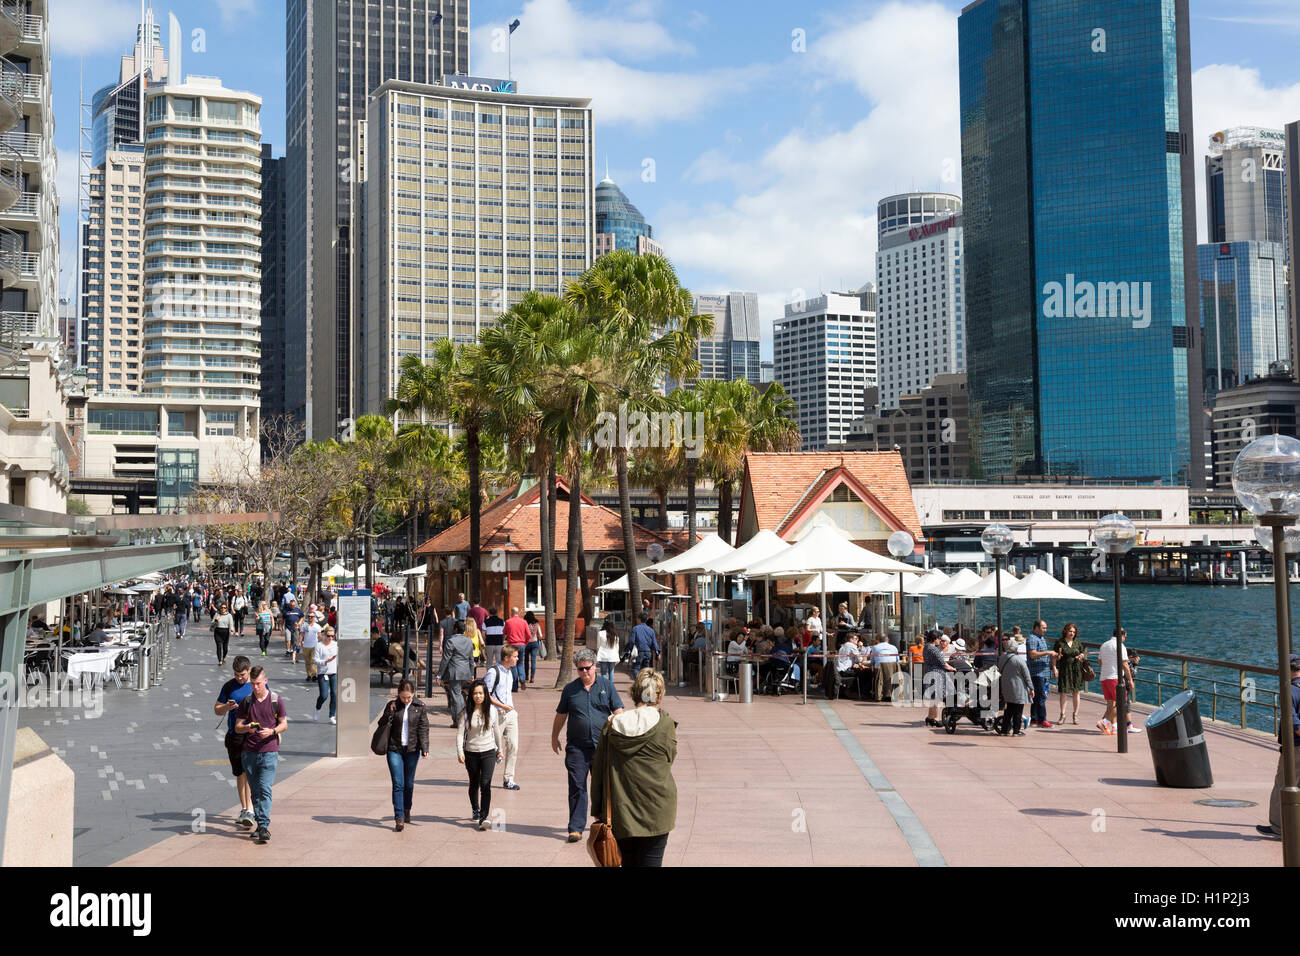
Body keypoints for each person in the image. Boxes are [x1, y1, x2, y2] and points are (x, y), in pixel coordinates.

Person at [591, 668, 677, 867]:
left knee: (627, 861)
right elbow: (669, 758)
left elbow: (598, 770)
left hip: (621, 812)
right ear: (659, 695)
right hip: (657, 810)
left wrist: (598, 807)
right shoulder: (665, 723)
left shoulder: (613, 723)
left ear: (635, 692)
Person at [552, 647, 625, 843]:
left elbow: (618, 710)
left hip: (602, 747)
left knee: (602, 786)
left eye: (587, 668)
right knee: (577, 786)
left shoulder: (606, 685)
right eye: (580, 669)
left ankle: (603, 823)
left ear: (595, 666)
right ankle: (575, 828)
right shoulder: (570, 689)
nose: (584, 672)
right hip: (577, 748)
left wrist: (622, 735)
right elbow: (561, 715)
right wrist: (554, 737)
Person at [233, 666, 288, 844]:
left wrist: (272, 731)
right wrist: (248, 727)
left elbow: (284, 724)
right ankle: (260, 824)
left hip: (269, 750)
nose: (255, 687)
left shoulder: (275, 700)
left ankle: (264, 826)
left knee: (265, 788)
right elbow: (237, 727)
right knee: (255, 791)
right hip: (249, 752)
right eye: (253, 684)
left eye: (258, 683)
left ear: (265, 681)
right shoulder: (247, 702)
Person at [1258, 655, 1300, 839]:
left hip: (1294, 748)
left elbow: (1294, 723)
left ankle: (1279, 827)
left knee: (1283, 784)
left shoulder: (1288, 691)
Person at [381, 679, 430, 832]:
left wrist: (425, 747)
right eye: (403, 697)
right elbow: (381, 723)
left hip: (412, 749)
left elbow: (423, 727)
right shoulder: (392, 705)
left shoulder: (420, 706)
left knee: (408, 784)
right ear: (398, 694)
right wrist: (390, 711)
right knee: (398, 783)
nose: (406, 700)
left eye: (408, 697)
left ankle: (407, 809)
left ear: (413, 694)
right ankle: (399, 817)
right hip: (394, 748)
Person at [214, 656, 257, 830]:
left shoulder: (256, 684)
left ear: (249, 670)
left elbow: (267, 704)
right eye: (237, 674)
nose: (239, 678)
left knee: (250, 772)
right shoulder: (229, 686)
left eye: (243, 674)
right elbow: (217, 709)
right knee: (240, 773)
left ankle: (251, 810)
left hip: (253, 733)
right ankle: (245, 808)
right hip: (235, 735)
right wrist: (227, 707)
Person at [458, 679, 504, 831]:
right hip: (471, 752)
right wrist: (460, 751)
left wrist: (500, 750)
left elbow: (496, 731)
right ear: (471, 695)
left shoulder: (492, 711)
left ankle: (484, 817)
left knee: (486, 784)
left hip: (489, 751)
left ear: (485, 695)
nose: (478, 696)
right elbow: (460, 734)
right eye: (475, 693)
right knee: (474, 782)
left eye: (480, 693)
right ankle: (475, 809)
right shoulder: (466, 712)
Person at [486, 645, 522, 790]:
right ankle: (485, 778)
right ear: (506, 658)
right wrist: (501, 706)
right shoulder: (493, 672)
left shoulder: (510, 672)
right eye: (515, 656)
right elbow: (485, 694)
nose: (517, 658)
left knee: (513, 745)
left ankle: (509, 779)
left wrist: (510, 708)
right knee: (492, 748)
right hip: (497, 714)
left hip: (511, 713)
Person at [1098, 627, 1141, 735]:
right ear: (1121, 635)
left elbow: (1100, 661)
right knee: (1121, 702)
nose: (1124, 639)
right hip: (1115, 677)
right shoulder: (1120, 646)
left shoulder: (1104, 645)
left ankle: (1112, 727)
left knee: (1111, 703)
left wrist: (1109, 666)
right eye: (1125, 637)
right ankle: (1104, 722)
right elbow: (1125, 664)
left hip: (1104, 677)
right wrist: (1130, 680)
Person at [437, 622, 475, 727]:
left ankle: (462, 719)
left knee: (456, 696)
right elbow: (471, 659)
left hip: (454, 672)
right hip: (465, 671)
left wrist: (439, 674)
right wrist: (471, 673)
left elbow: (445, 659)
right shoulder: (469, 641)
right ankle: (456, 720)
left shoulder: (451, 641)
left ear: (455, 629)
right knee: (457, 695)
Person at [1025, 618, 1058, 728]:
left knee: (1037, 697)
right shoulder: (1032, 639)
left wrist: (1053, 665)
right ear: (1037, 628)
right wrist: (1048, 652)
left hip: (1043, 672)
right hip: (1037, 672)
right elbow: (1033, 654)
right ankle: (1042, 719)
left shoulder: (1041, 638)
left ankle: (1034, 719)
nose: (1045, 630)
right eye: (1043, 628)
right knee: (1041, 697)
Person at [998, 638, 1032, 737]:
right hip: (1018, 688)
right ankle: (1016, 731)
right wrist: (1031, 688)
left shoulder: (1001, 658)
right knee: (1018, 710)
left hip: (1006, 687)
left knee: (1009, 709)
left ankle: (1004, 730)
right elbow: (1027, 675)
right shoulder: (1019, 660)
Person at [1054, 622, 1087, 724]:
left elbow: (1082, 652)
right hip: (1064, 669)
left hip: (1076, 670)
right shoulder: (1060, 642)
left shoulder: (1077, 642)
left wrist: (1081, 656)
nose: (1072, 633)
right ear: (1066, 631)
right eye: (1070, 631)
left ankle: (1075, 715)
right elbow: (1054, 656)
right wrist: (1055, 667)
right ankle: (1062, 715)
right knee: (1063, 692)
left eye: (1073, 631)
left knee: (1076, 692)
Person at [922, 628, 956, 726]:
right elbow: (943, 663)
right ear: (935, 638)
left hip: (929, 672)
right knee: (938, 697)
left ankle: (930, 717)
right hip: (937, 673)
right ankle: (936, 718)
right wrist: (952, 668)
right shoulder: (934, 649)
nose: (940, 641)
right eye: (939, 639)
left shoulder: (926, 647)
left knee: (933, 697)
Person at [314, 625, 339, 723]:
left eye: (332, 636)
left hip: (333, 673)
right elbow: (315, 660)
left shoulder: (335, 645)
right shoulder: (319, 646)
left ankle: (332, 716)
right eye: (329, 636)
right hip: (323, 673)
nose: (330, 638)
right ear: (325, 635)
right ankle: (317, 708)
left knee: (334, 694)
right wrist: (325, 661)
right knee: (324, 695)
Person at [503, 606, 529, 690]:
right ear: (518, 613)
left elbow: (504, 633)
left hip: (512, 645)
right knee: (520, 663)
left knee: (513, 665)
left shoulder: (508, 621)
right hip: (521, 644)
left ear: (511, 612)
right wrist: (526, 642)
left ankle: (514, 685)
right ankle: (522, 679)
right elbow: (528, 634)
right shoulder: (524, 622)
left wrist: (505, 641)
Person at [869, 632, 900, 702]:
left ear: (877, 640)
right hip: (893, 669)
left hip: (880, 669)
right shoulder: (894, 647)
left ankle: (879, 695)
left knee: (874, 676)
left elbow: (872, 661)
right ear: (887, 640)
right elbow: (897, 661)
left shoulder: (875, 647)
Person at [299, 608, 322, 682]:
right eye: (309, 616)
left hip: (314, 646)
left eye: (311, 616)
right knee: (307, 662)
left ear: (314, 618)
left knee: (313, 661)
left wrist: (320, 644)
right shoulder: (304, 625)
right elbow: (301, 635)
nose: (310, 618)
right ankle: (308, 675)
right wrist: (299, 642)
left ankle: (314, 675)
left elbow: (319, 636)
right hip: (306, 646)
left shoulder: (317, 626)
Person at [523, 610, 542, 684]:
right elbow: (540, 635)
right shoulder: (536, 624)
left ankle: (526, 676)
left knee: (526, 660)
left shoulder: (525, 624)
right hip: (534, 643)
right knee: (533, 661)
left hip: (526, 643)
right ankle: (532, 677)